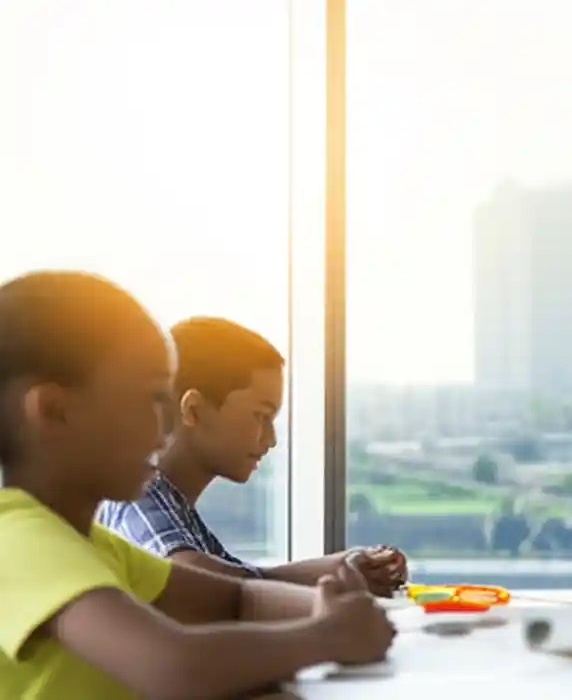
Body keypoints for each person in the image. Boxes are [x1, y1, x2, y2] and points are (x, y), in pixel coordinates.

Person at [0, 271, 394, 699]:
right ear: (55, 411)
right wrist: (325, 635)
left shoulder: (98, 548)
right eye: (150, 399)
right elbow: (173, 667)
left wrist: (334, 608)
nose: (168, 424)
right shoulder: (17, 541)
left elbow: (241, 601)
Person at [98, 317, 407, 596]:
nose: (271, 440)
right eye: (261, 416)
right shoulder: (136, 497)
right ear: (193, 410)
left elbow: (234, 577)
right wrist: (337, 572)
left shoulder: (179, 511)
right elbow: (192, 576)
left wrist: (344, 567)